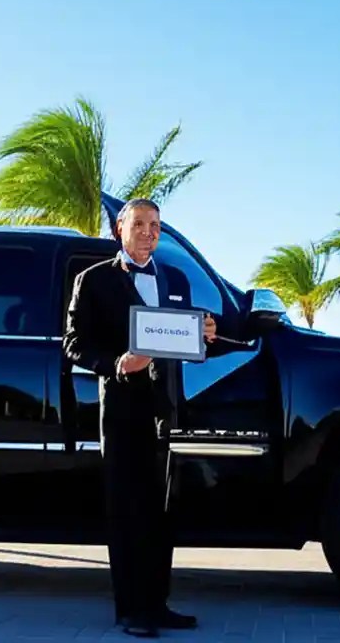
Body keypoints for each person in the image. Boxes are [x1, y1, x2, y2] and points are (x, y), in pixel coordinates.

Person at [62, 198, 237, 638]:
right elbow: (74, 344)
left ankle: (158, 605)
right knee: (127, 512)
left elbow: (186, 339)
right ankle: (130, 610)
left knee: (161, 513)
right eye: (138, 223)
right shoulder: (94, 280)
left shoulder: (174, 279)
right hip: (122, 410)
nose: (148, 232)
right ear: (120, 228)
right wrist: (119, 362)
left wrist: (208, 335)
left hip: (165, 411)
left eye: (155, 225)